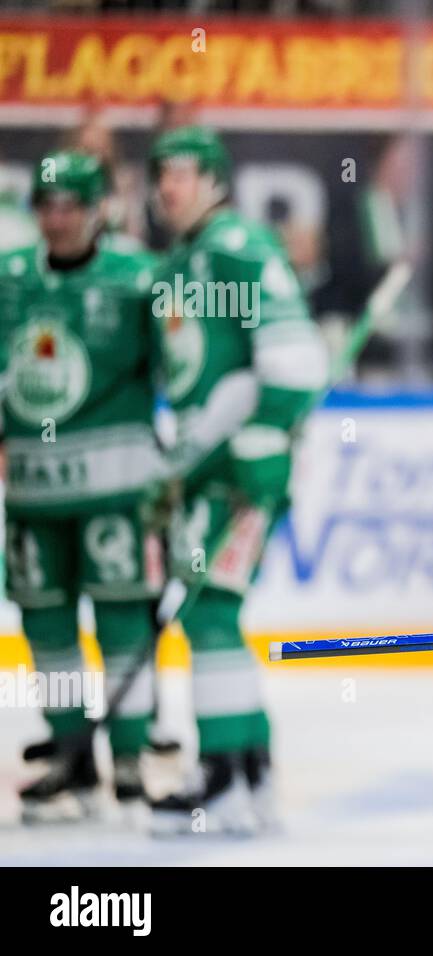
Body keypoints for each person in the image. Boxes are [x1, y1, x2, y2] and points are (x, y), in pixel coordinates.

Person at [147, 126, 329, 835]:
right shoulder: (187, 257)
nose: (167, 187)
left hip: (242, 468)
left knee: (209, 611)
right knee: (213, 611)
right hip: (211, 463)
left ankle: (223, 779)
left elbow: (296, 356)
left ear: (215, 180)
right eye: (161, 174)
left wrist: (262, 439)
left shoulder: (236, 246)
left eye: (183, 173)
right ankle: (249, 774)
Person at [0, 150, 166, 822]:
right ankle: (71, 752)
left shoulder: (139, 278)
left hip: (116, 488)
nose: (59, 218)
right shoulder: (9, 278)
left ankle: (129, 756)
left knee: (123, 617)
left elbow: (184, 365)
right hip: (33, 490)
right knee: (46, 624)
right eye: (48, 205)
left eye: (72, 205)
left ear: (99, 209)